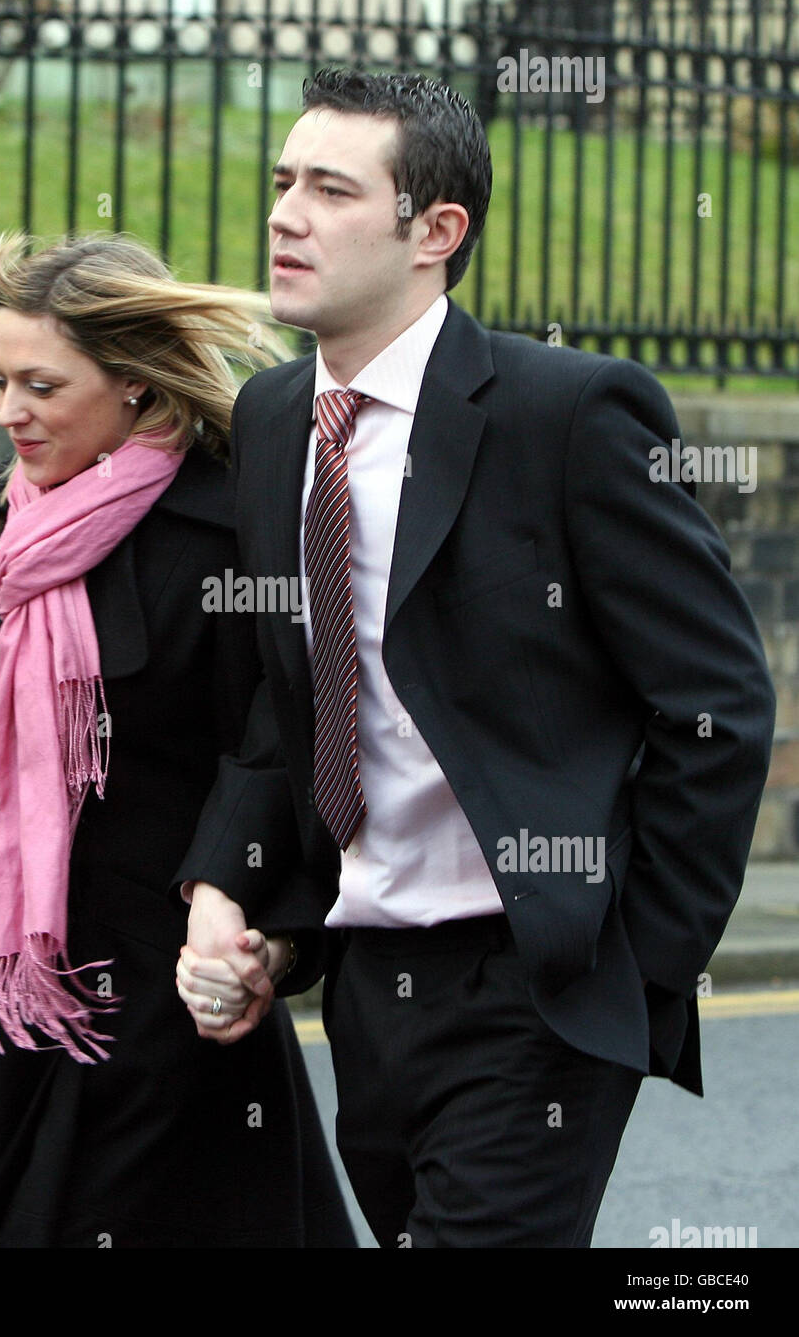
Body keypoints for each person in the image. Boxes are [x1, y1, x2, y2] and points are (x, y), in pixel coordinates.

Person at [174, 67, 776, 1247]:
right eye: (284, 180)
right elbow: (281, 702)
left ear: (435, 232)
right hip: (368, 980)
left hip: (534, 985)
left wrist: (635, 962)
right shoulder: (270, 421)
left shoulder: (570, 413)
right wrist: (226, 889)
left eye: (332, 189)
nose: (285, 213)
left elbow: (717, 704)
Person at [0, 231, 356, 1249]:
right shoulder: (0, 520)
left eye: (42, 385)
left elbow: (280, 749)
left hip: (160, 1032)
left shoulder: (227, 539)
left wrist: (264, 924)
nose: (10, 412)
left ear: (135, 384)